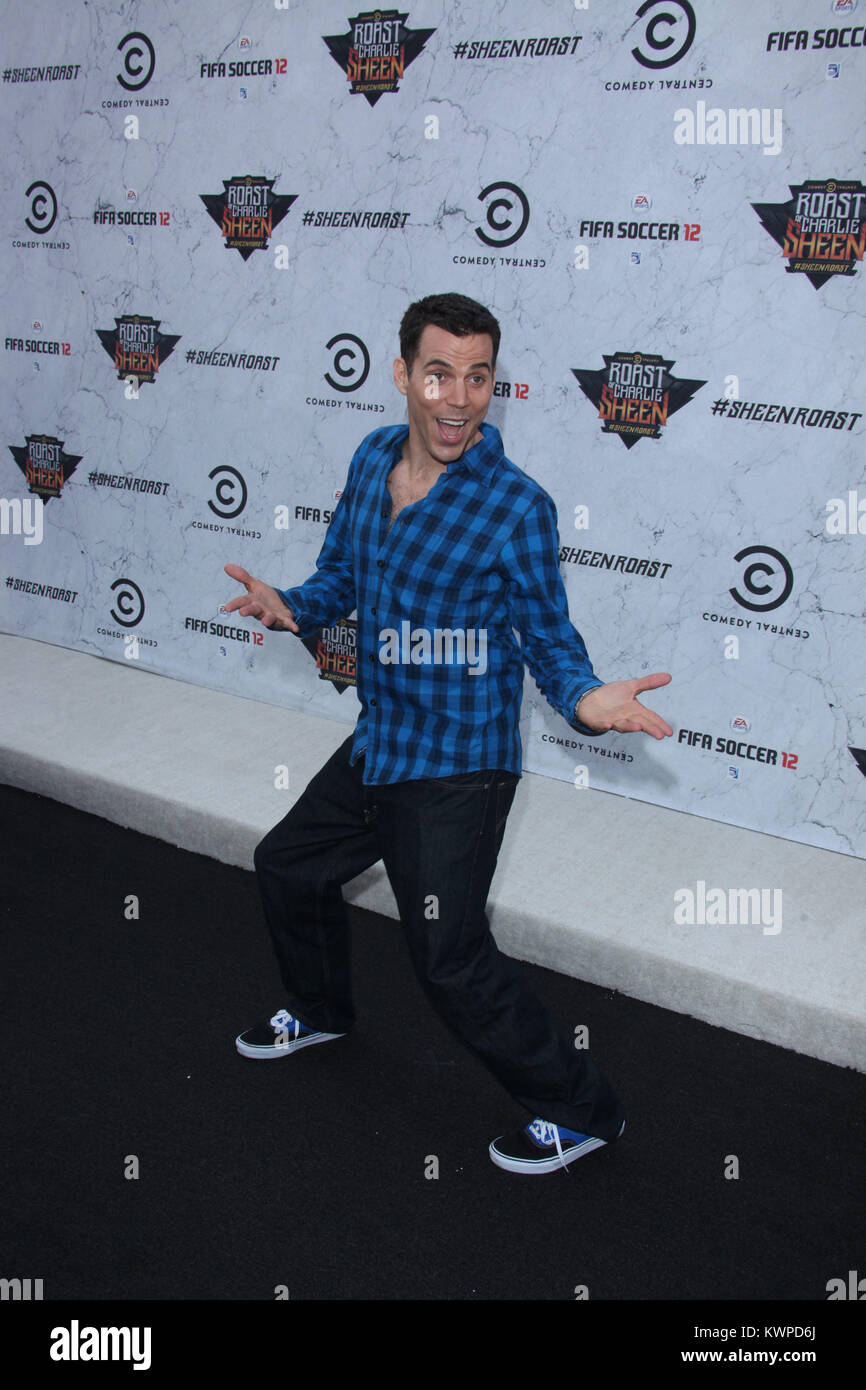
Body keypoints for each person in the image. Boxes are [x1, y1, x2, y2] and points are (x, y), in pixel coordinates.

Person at [223, 292, 673, 1175]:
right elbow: (340, 576)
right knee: (287, 866)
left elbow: (550, 642)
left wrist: (583, 701)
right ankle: (319, 1009)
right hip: (384, 740)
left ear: (493, 385)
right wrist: (291, 608)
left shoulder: (516, 509)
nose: (459, 397)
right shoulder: (369, 459)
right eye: (439, 373)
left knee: (450, 958)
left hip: (459, 768)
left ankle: (581, 1110)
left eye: (478, 377)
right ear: (403, 376)